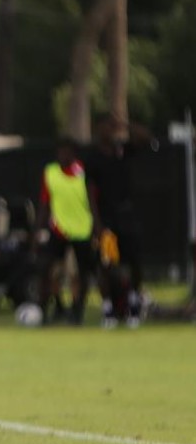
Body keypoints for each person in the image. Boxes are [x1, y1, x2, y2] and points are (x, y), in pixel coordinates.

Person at [86, 113, 152, 328]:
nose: (109, 130)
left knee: (135, 261)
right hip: (106, 218)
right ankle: (108, 309)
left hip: (127, 215)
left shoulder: (122, 150)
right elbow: (90, 191)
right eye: (106, 126)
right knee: (107, 263)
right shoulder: (93, 157)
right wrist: (97, 223)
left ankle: (133, 304)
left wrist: (125, 123)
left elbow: (146, 139)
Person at [35, 138, 100, 326]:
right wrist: (38, 230)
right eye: (60, 151)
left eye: (67, 151)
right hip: (59, 229)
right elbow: (44, 203)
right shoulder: (51, 173)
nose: (63, 155)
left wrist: (97, 227)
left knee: (80, 273)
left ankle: (77, 309)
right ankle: (52, 307)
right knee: (49, 268)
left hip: (82, 229)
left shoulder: (83, 173)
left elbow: (92, 201)